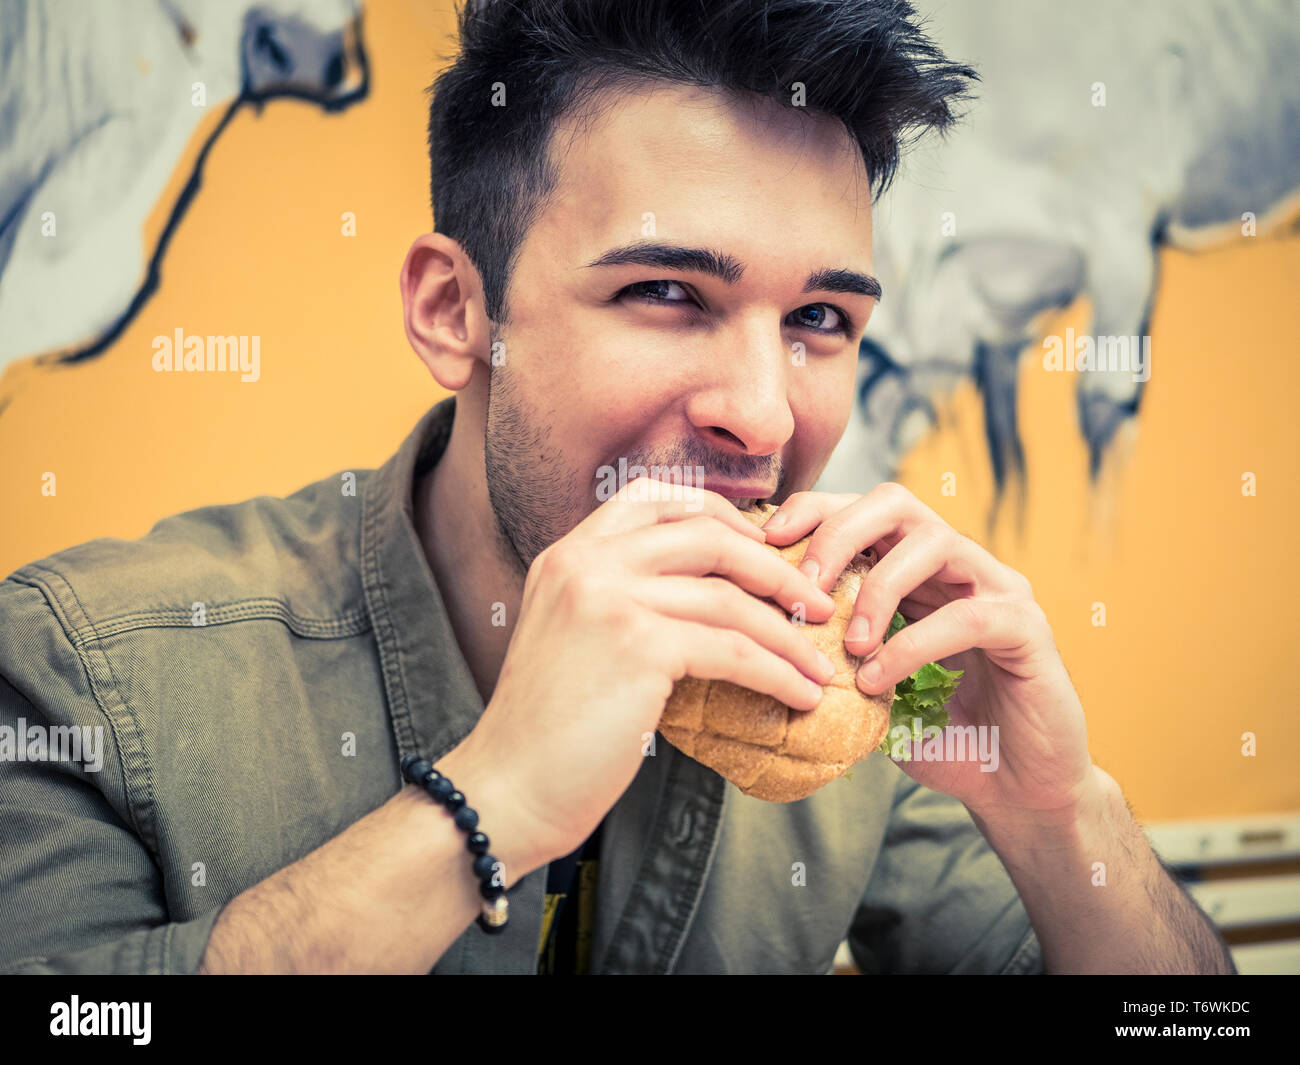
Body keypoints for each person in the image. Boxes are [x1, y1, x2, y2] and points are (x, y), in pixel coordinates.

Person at [0, 0, 1233, 975]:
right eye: (667, 294)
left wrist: (1061, 814)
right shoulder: (77, 670)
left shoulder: (859, 706)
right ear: (454, 313)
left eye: (819, 316)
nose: (761, 412)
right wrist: (487, 807)